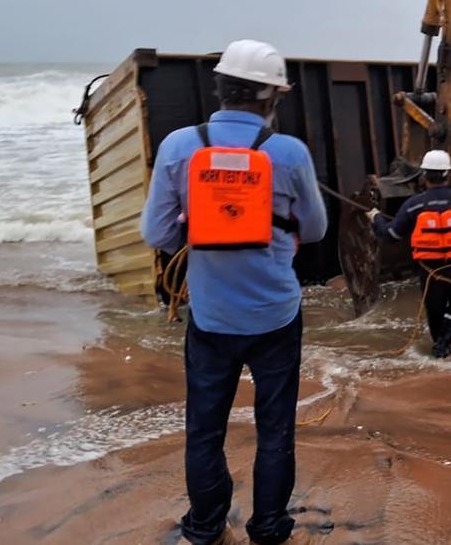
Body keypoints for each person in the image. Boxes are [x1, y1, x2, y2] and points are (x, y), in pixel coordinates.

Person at [141, 39, 328, 545]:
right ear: (273, 99)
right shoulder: (288, 153)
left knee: (204, 429)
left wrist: (198, 230)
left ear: (220, 87)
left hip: (211, 317)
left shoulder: (181, 146)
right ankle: (268, 528)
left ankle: (204, 527)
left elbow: (157, 234)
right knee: (275, 430)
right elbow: (314, 230)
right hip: (276, 316)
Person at [367, 150, 451, 358]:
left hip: (430, 273)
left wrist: (376, 217)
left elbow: (390, 234)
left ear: (424, 176)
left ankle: (440, 348)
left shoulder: (413, 204)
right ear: (447, 174)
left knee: (435, 315)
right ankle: (444, 346)